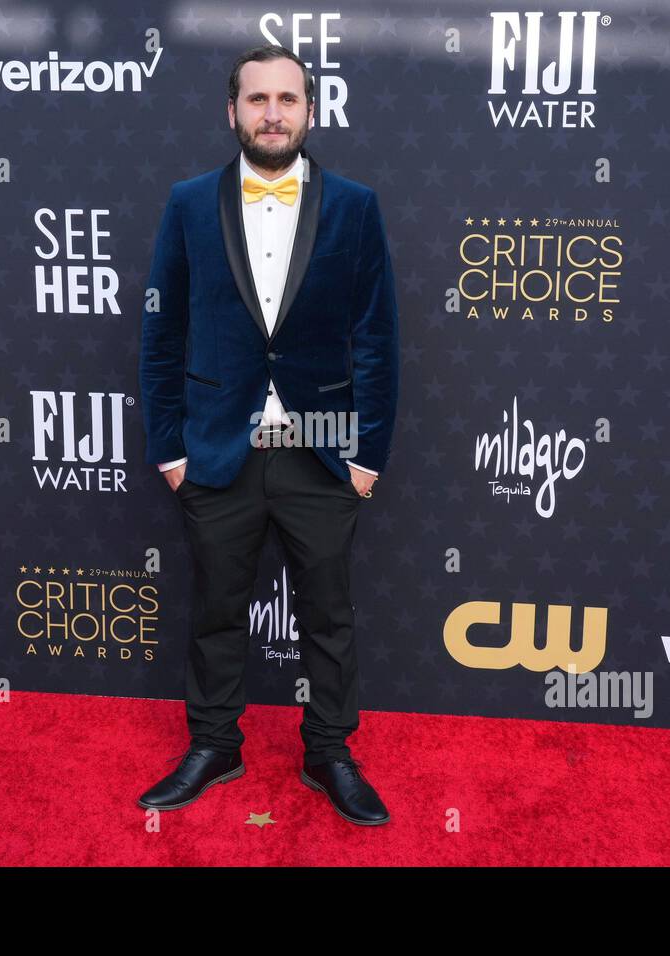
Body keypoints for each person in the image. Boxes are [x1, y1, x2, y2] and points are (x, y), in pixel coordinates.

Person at [138, 45, 399, 825]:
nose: (274, 113)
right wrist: (170, 450)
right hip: (218, 448)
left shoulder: (355, 205)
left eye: (289, 98)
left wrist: (367, 459)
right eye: (258, 100)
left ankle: (330, 751)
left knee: (329, 613)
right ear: (232, 112)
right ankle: (215, 744)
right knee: (217, 608)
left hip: (321, 451)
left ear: (311, 111)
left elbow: (378, 338)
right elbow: (162, 334)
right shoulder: (188, 203)